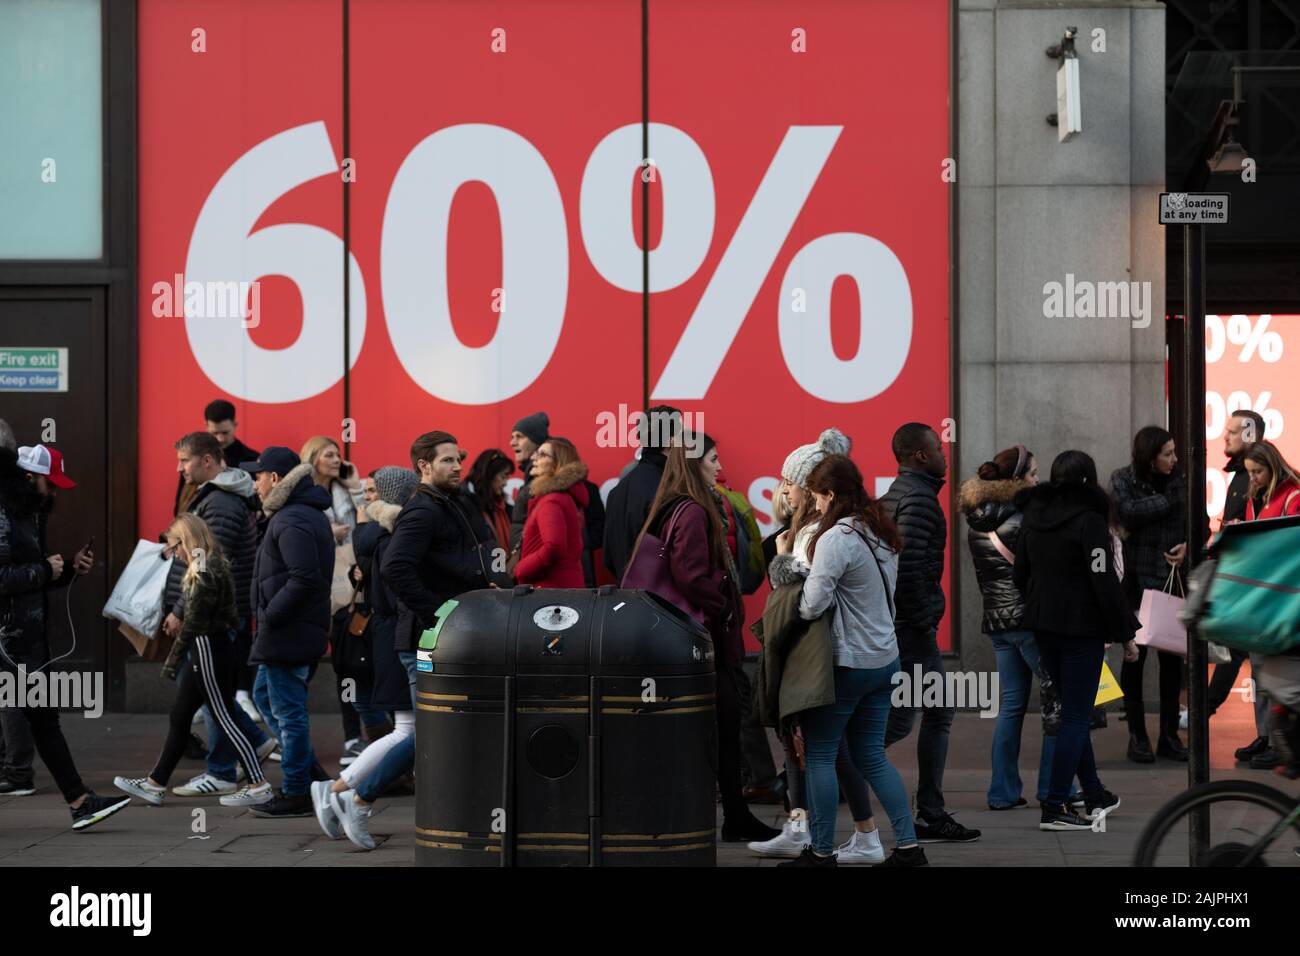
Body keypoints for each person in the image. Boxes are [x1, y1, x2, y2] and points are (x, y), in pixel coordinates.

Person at [767, 454, 926, 866]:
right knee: (871, 755)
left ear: (831, 494)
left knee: (820, 755)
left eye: (819, 498)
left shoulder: (836, 538)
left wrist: (784, 571)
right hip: (885, 659)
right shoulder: (878, 529)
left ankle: (819, 851)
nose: (816, 506)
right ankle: (909, 848)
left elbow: (812, 603)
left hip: (847, 663)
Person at [627, 436, 778, 842]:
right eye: (713, 458)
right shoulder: (694, 510)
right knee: (723, 730)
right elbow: (691, 573)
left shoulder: (677, 503)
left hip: (694, 638)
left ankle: (731, 815)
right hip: (706, 639)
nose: (718, 465)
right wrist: (723, 602)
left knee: (717, 731)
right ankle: (731, 817)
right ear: (695, 463)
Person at [750, 430, 891, 862]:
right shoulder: (834, 526)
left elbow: (805, 600)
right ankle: (846, 834)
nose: (784, 489)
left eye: (790, 481)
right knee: (821, 748)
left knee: (817, 748)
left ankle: (824, 837)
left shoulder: (819, 532)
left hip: (821, 656)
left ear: (814, 490)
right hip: (838, 655)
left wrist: (782, 558)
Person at [0, 444, 130, 829]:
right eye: (49, 483)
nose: (53, 492)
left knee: (44, 719)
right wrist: (46, 569)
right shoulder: (5, 515)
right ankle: (79, 799)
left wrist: (69, 569)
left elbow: (31, 579)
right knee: (43, 719)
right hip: (9, 641)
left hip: (24, 639)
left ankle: (79, 800)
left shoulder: (25, 513)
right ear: (28, 478)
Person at [113, 515, 272, 807]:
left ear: (186, 541)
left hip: (208, 648)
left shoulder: (203, 570)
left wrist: (171, 662)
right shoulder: (208, 563)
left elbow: (194, 625)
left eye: (175, 547)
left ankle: (258, 784)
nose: (174, 554)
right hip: (211, 647)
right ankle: (155, 783)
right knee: (180, 715)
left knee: (223, 716)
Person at [1015, 450, 1135, 830]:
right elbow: (1103, 579)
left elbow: (1020, 574)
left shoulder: (1032, 519)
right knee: (1076, 717)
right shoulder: (1090, 522)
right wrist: (1125, 632)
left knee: (1071, 714)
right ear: (1088, 480)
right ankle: (1054, 806)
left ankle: (1094, 791)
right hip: (1081, 629)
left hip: (1042, 626)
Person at [879, 423, 979, 842]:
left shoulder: (896, 494)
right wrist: (924, 618)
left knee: (926, 714)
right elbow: (911, 569)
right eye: (937, 448)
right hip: (911, 629)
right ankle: (930, 813)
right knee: (909, 719)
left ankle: (931, 811)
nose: (944, 453)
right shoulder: (919, 500)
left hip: (901, 625)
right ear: (919, 456)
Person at [312, 466, 420, 847]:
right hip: (398, 638)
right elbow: (398, 594)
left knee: (406, 731)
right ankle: (352, 796)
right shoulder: (390, 539)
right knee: (412, 732)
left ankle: (339, 792)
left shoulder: (371, 535)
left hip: (388, 638)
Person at [161, 431, 271, 796]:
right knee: (211, 694)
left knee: (212, 696)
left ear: (207, 460)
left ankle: (224, 770)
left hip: (211, 615)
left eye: (184, 461)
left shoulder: (220, 502)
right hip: (214, 612)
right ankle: (252, 742)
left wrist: (180, 610)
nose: (180, 469)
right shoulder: (214, 496)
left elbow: (205, 565)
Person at [960, 443, 1063, 810]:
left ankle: (1002, 792)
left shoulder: (977, 521)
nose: (1039, 480)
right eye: (1034, 474)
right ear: (1018, 479)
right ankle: (1054, 789)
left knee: (1011, 707)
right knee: (1059, 702)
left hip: (998, 623)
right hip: (1029, 622)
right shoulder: (1024, 520)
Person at [247, 452, 335, 816]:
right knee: (263, 694)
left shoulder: (293, 518)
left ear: (275, 477)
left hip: (288, 630)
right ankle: (311, 775)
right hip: (287, 630)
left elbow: (304, 578)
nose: (255, 484)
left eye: (258, 477)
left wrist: (270, 615)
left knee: (289, 712)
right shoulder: (293, 514)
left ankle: (298, 789)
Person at [1110, 426, 1189, 763]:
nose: (1174, 459)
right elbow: (1127, 512)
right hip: (1136, 582)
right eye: (1167, 453)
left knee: (1173, 658)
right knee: (1135, 658)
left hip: (1172, 579)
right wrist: (1169, 501)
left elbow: (1194, 519)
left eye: (1174, 452)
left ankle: (1169, 736)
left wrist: (1187, 546)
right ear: (1150, 456)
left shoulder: (1181, 478)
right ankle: (1138, 736)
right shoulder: (1123, 479)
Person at [1207, 409, 1272, 760]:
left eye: (1232, 431)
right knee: (1251, 660)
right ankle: (1267, 737)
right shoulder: (1239, 478)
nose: (1225, 437)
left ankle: (1272, 739)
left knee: (1255, 660)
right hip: (1248, 582)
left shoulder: (1272, 487)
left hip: (1261, 587)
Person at [603, 405, 682, 581]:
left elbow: (608, 556)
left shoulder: (617, 491)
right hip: (662, 598)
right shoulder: (669, 489)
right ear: (671, 440)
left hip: (625, 595)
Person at [515, 437, 589, 588]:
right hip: (559, 588)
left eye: (542, 455)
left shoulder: (552, 500)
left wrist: (521, 569)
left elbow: (554, 547)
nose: (533, 458)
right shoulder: (559, 497)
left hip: (551, 590)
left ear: (557, 463)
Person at [174, 398, 261, 518]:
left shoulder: (252, 460)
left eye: (225, 433)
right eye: (215, 433)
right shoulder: (190, 460)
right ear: (206, 426)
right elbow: (180, 505)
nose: (220, 438)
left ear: (235, 425)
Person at [300, 436, 366, 547]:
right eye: (329, 455)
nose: (337, 460)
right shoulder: (302, 496)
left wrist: (355, 487)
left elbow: (369, 519)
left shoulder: (348, 490)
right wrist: (328, 534)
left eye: (338, 456)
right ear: (312, 460)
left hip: (354, 560)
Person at [508, 412, 550, 552]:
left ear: (537, 442)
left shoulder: (546, 482)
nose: (512, 443)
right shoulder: (533, 479)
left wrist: (526, 565)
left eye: (519, 437)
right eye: (512, 437)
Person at [466, 448, 514, 554]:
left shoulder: (505, 504)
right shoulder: (464, 503)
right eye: (503, 476)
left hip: (500, 567)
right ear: (489, 474)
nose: (506, 483)